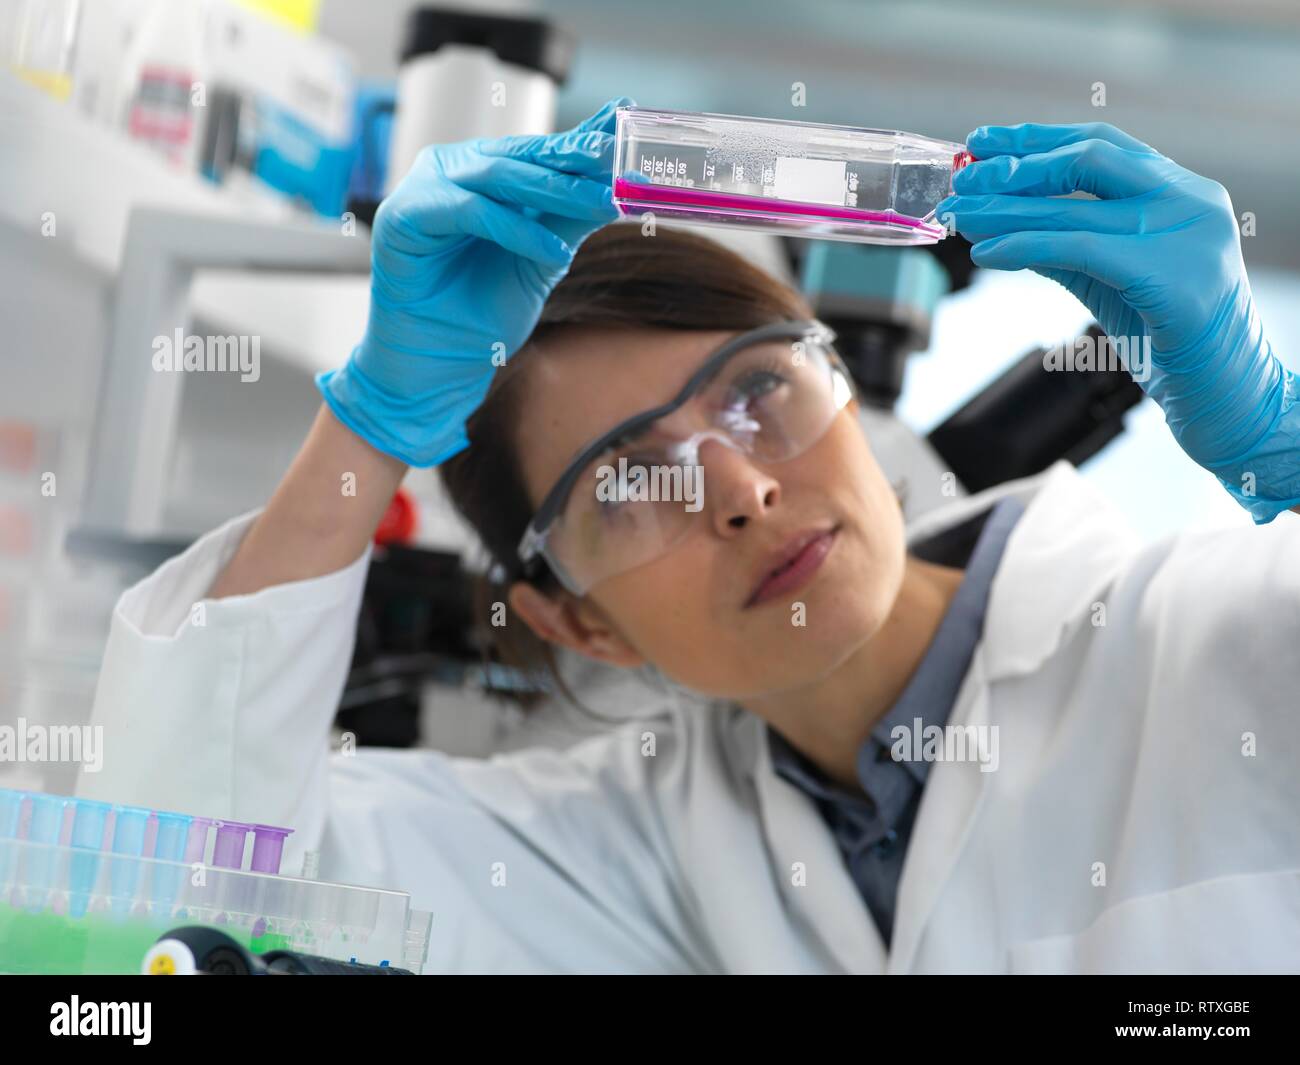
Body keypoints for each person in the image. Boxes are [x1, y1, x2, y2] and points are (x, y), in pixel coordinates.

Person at [77, 98, 1300, 973]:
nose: (736, 492)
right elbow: (173, 908)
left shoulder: (1221, 643)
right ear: (574, 622)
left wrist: (1278, 442)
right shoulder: (620, 846)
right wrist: (368, 425)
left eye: (756, 391)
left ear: (850, 397)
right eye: (625, 485)